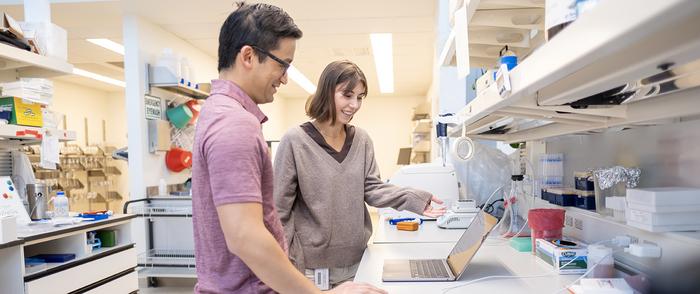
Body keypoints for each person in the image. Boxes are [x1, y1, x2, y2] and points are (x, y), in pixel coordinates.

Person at [192, 3, 386, 294]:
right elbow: (246, 237)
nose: (284, 77)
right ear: (248, 56)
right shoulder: (235, 124)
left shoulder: (216, 112)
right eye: (282, 64)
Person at [274, 60, 446, 288]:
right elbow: (279, 210)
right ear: (327, 92)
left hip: (358, 262)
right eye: (347, 95)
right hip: (311, 270)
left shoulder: (362, 140)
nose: (354, 104)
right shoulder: (295, 141)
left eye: (360, 97)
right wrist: (285, 264)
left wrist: (415, 199)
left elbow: (373, 188)